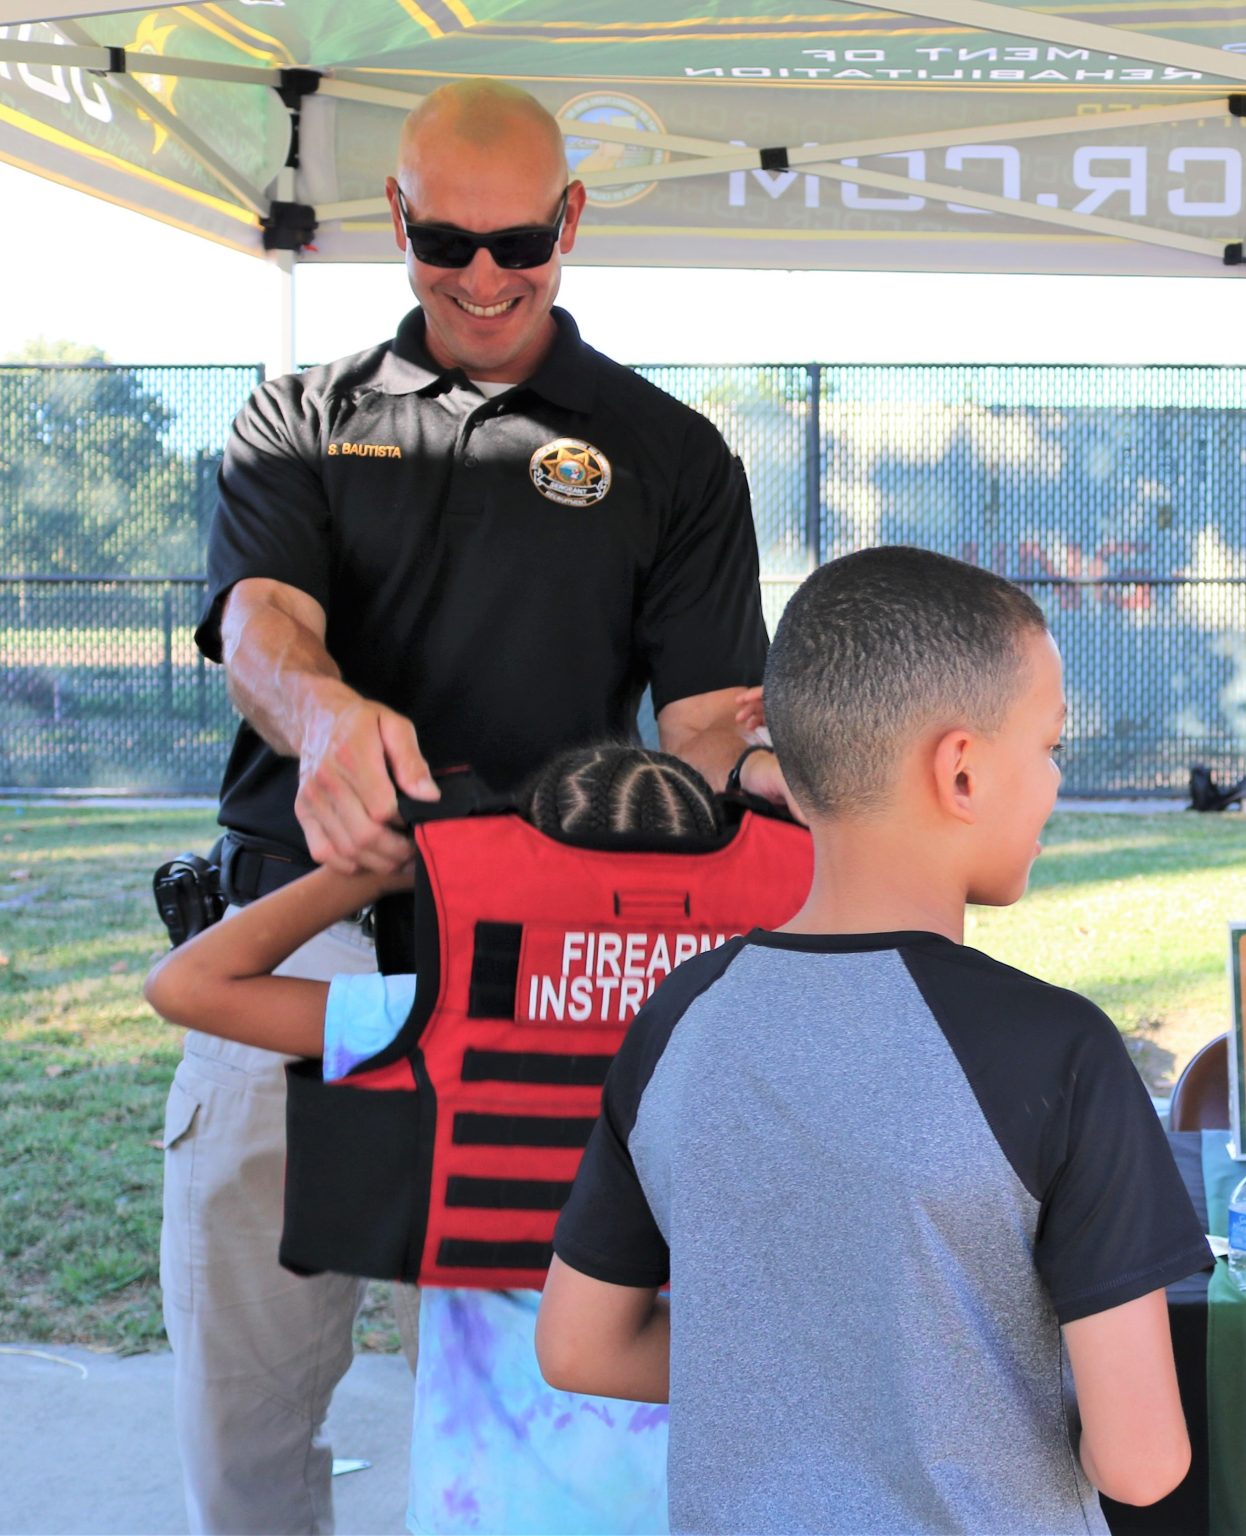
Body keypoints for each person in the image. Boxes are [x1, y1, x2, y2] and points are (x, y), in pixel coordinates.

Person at [161, 77, 788, 1536]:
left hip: (548, 966)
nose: (486, 277)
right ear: (395, 221)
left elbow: (703, 723)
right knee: (245, 1397)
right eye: (447, 243)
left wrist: (794, 788)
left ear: (573, 220)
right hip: (303, 936)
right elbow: (259, 622)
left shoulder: (671, 454)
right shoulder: (297, 418)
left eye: (520, 242)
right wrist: (325, 723)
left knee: (525, 1379)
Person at [537, 545, 1213, 1535]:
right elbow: (1142, 1462)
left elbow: (579, 1348)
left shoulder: (678, 1020)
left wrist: (819, 1385)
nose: (1055, 785)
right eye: (1050, 745)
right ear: (963, 769)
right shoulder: (1056, 1049)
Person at [147, 746, 739, 1535]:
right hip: (713, 1504)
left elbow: (184, 985)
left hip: (489, 1508)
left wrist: (373, 872)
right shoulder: (757, 1030)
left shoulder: (437, 1022)